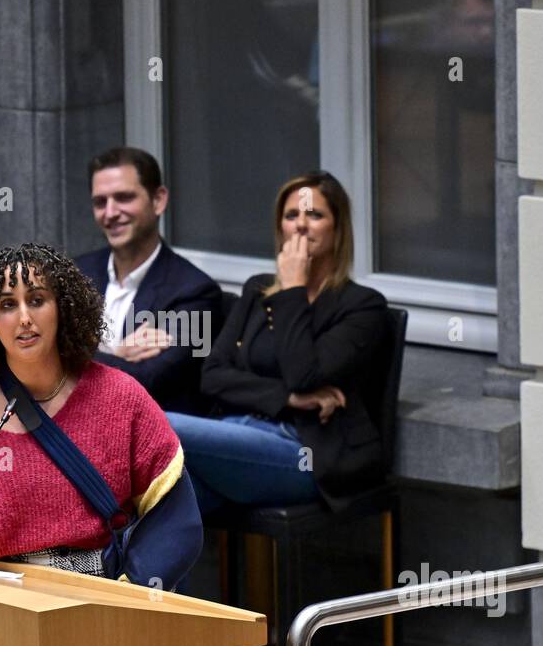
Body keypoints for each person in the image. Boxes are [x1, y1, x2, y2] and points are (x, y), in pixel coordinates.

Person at [0, 244, 202, 587]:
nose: (24, 317)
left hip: (99, 591)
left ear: (63, 309)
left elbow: (175, 519)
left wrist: (131, 594)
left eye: (37, 300)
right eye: (7, 305)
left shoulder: (120, 395)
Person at [166, 172, 389, 514]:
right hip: (235, 435)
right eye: (291, 216)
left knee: (159, 423)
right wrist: (288, 398)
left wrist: (293, 290)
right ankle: (82, 567)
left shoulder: (362, 306)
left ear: (337, 228)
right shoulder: (257, 289)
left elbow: (305, 373)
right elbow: (213, 375)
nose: (301, 225)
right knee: (150, 499)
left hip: (304, 452)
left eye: (314, 215)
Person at [74, 147, 222, 414]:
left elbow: (149, 381)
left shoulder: (197, 292)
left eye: (124, 198)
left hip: (148, 441)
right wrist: (116, 354)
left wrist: (72, 354)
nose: (110, 213)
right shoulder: (75, 273)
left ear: (158, 200)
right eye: (100, 202)